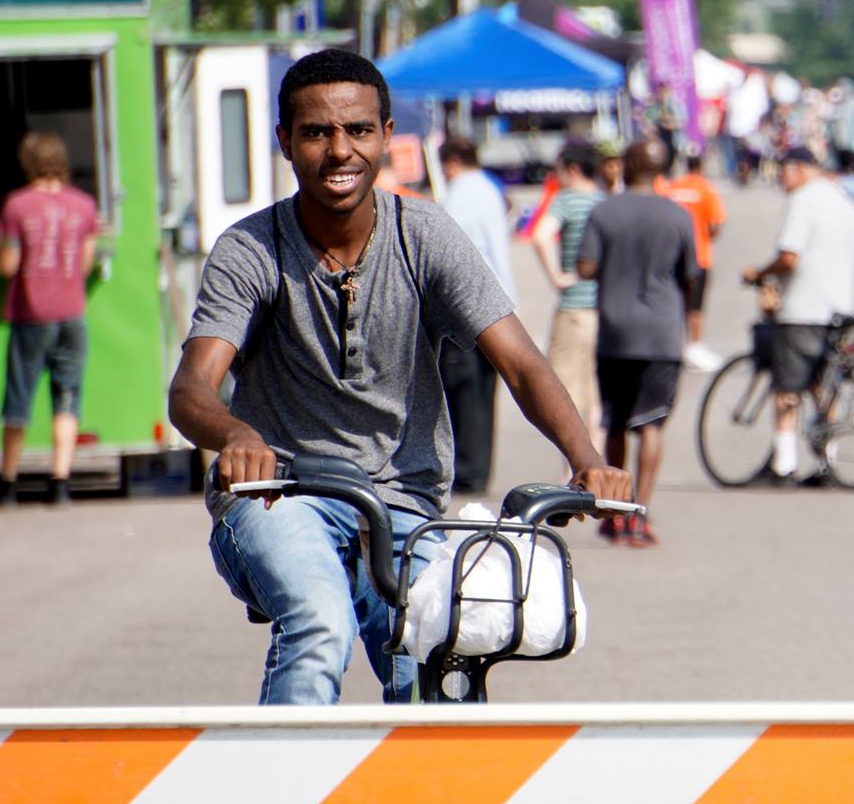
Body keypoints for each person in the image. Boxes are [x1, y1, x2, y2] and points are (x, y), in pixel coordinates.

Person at [167, 49, 628, 706]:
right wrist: (236, 432)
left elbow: (522, 363)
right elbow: (190, 389)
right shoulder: (252, 249)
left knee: (442, 653)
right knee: (319, 621)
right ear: (285, 142)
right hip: (281, 494)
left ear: (386, 135)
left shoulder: (425, 234)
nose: (339, 151)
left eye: (358, 130)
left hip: (404, 505)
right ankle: (278, 796)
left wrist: (586, 457)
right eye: (316, 132)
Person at [579, 139, 697, 547]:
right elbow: (692, 273)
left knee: (615, 423)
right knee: (651, 424)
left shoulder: (603, 212)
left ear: (626, 166)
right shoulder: (678, 215)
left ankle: (614, 511)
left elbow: (585, 266)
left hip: (615, 332)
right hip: (662, 333)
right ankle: (640, 515)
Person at [742, 145, 854, 482]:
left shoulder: (803, 200)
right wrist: (843, 277)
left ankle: (783, 465)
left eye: (783, 172)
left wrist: (760, 273)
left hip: (803, 310)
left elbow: (789, 256)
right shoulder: (841, 198)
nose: (781, 180)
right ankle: (826, 464)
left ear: (798, 169)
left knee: (787, 387)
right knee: (823, 386)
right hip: (841, 310)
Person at [0, 132, 98, 508]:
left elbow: (9, 266)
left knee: (19, 399)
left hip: (30, 314)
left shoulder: (16, 206)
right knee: (67, 396)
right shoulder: (84, 205)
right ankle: (61, 481)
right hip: (72, 313)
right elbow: (85, 263)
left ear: (27, 162)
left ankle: (7, 482)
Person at [436, 134, 516, 495]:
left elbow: (447, 254)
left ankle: (466, 469)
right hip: (496, 303)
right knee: (484, 391)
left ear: (451, 162)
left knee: (462, 390)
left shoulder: (458, 194)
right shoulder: (488, 189)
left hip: (463, 306)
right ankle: (479, 467)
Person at [531, 143, 604, 434]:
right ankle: (598, 463)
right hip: (601, 310)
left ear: (572, 169)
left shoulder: (566, 200)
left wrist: (557, 276)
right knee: (596, 397)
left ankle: (572, 471)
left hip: (574, 307)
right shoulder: (603, 201)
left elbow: (541, 235)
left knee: (566, 395)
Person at [659, 147, 728, 372]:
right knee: (695, 305)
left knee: (674, 301)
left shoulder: (672, 187)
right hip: (699, 255)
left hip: (671, 255)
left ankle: (672, 344)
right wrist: (707, 236)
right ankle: (695, 346)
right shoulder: (706, 188)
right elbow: (716, 223)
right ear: (702, 165)